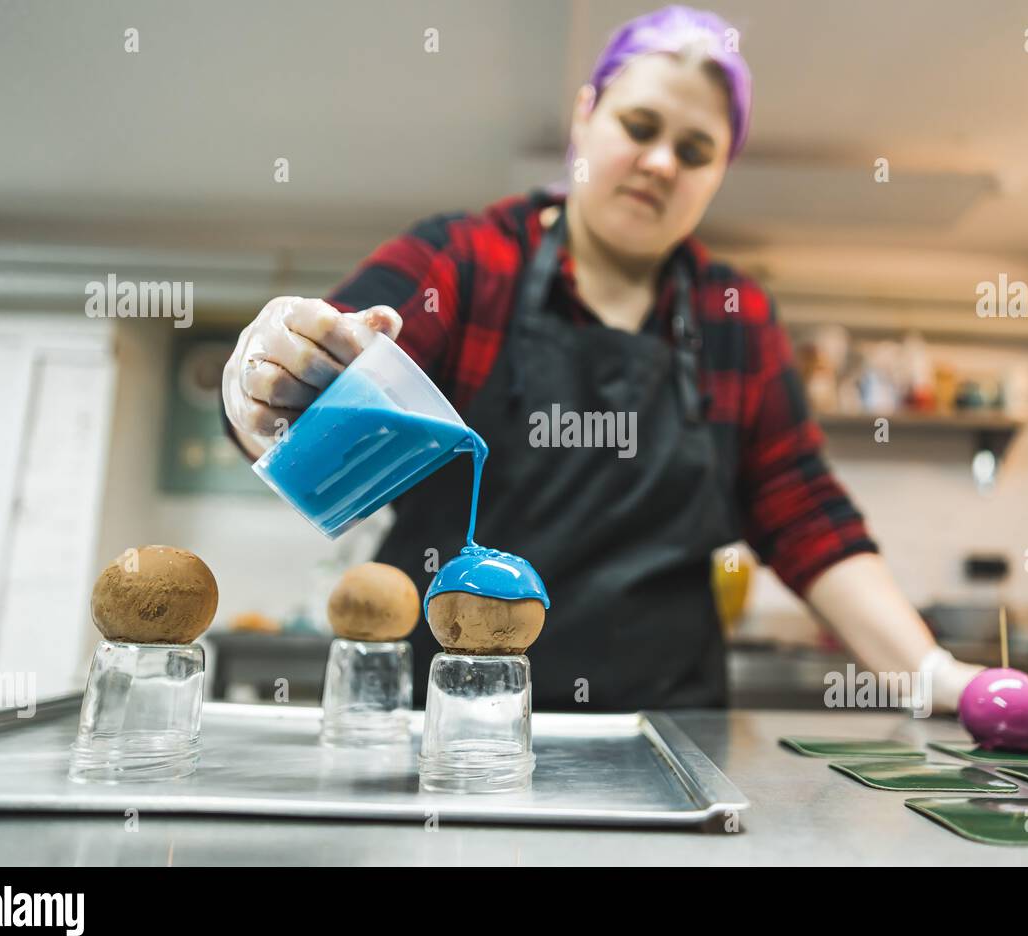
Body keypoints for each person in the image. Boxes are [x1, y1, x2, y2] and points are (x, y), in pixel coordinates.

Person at [222, 5, 986, 711]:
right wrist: (272, 371)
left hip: (661, 730)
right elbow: (331, 376)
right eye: (640, 125)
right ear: (586, 117)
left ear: (718, 174)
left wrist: (931, 674)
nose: (661, 163)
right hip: (448, 718)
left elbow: (802, 512)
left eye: (695, 151)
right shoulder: (469, 259)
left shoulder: (735, 316)